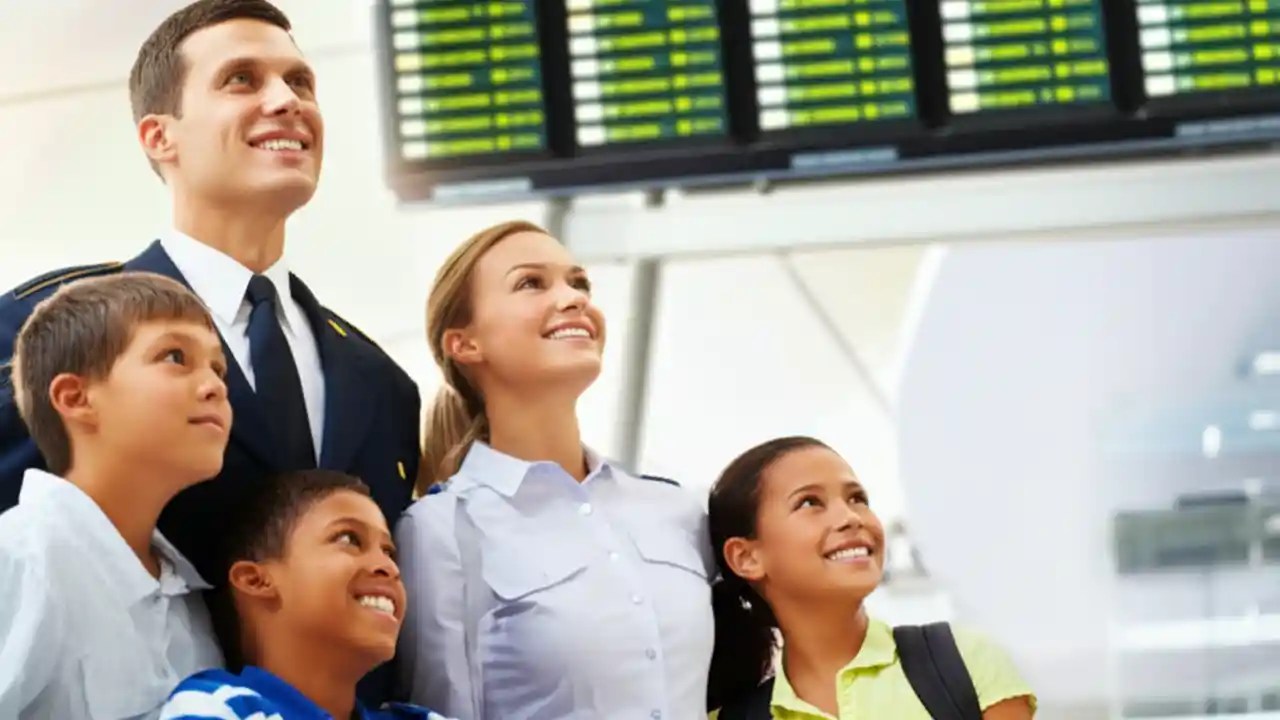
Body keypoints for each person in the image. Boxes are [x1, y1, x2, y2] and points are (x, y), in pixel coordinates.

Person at [0, 0, 421, 588]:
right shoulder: (40, 331)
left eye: (300, 81)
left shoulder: (383, 384)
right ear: (158, 136)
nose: (287, 100)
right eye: (241, 79)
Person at [395, 220, 715, 719]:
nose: (573, 298)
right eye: (531, 283)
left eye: (579, 283)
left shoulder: (676, 510)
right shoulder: (442, 531)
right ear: (465, 344)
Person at [0, 273, 228, 719]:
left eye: (218, 369)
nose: (215, 385)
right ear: (75, 397)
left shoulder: (188, 596)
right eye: (176, 357)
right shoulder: (20, 558)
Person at [707, 436, 1037, 720]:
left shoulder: (963, 660)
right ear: (746, 557)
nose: (850, 517)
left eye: (857, 499)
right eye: (810, 502)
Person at [158, 469, 452, 720]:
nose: (388, 567)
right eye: (348, 538)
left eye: (389, 551)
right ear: (255, 581)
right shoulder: (217, 707)